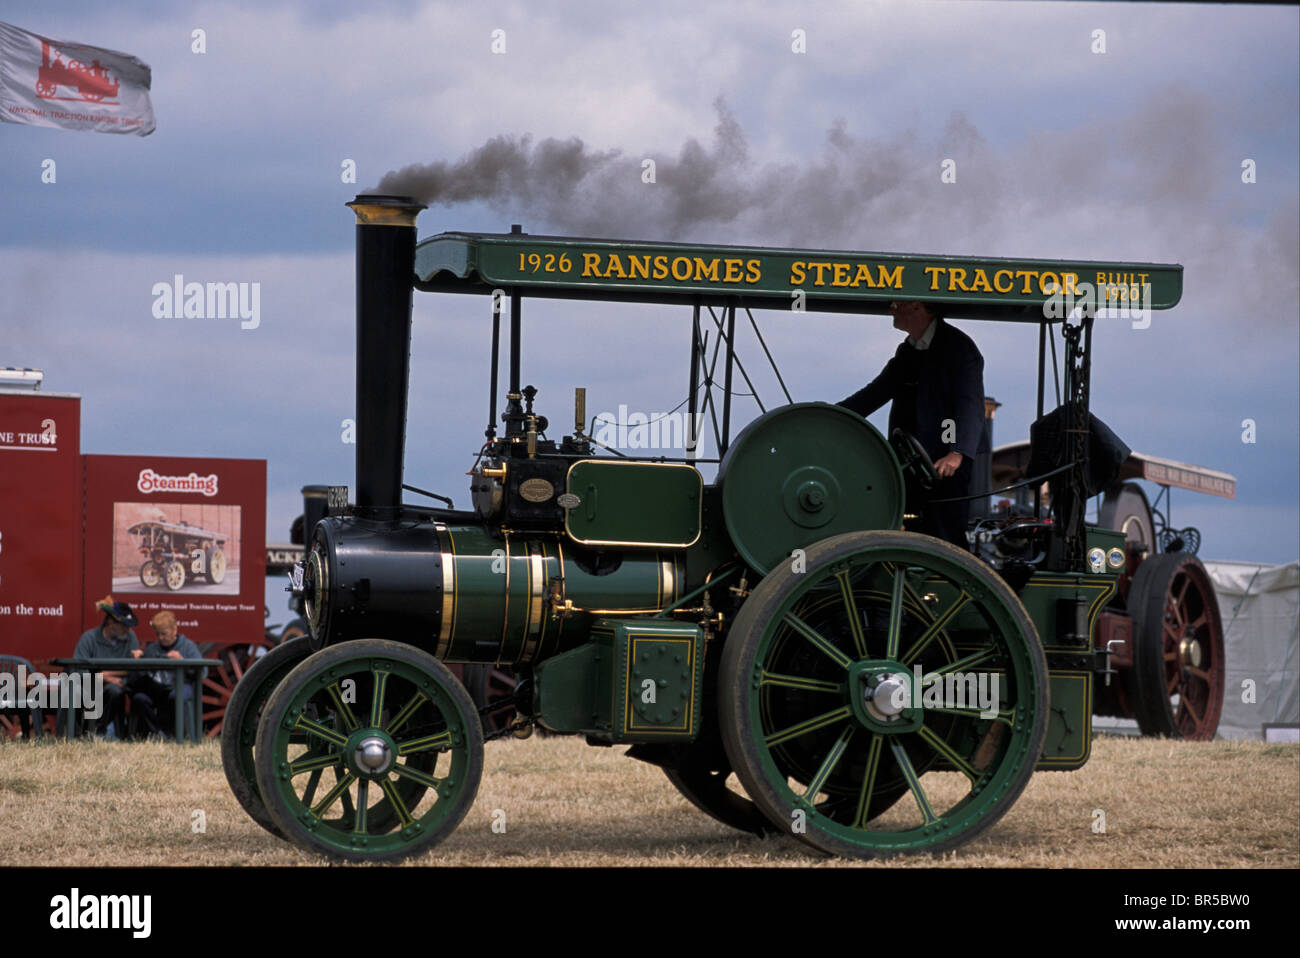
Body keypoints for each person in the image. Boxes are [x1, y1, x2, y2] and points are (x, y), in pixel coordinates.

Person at [838, 300, 988, 548]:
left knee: (946, 536)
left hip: (944, 467)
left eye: (898, 304)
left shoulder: (960, 348)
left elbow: (970, 405)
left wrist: (957, 452)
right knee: (908, 530)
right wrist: (829, 415)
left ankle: (947, 581)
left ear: (919, 308)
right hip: (912, 461)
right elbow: (873, 395)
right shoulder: (908, 351)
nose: (891, 309)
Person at [126, 611, 207, 739]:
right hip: (157, 690)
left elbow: (202, 672)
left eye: (164, 634)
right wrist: (139, 660)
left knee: (177, 695)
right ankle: (157, 733)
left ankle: (181, 735)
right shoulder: (153, 649)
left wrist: (182, 661)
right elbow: (140, 673)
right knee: (139, 698)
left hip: (180, 687)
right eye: (157, 634)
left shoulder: (188, 647)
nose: (160, 638)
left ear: (174, 630)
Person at [70, 596, 140, 737]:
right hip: (89, 687)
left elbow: (133, 667)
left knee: (115, 691)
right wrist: (102, 677)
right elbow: (77, 671)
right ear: (110, 622)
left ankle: (98, 732)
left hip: (117, 686)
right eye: (124, 625)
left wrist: (107, 675)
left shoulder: (130, 638)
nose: (128, 629)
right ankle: (82, 733)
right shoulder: (88, 639)